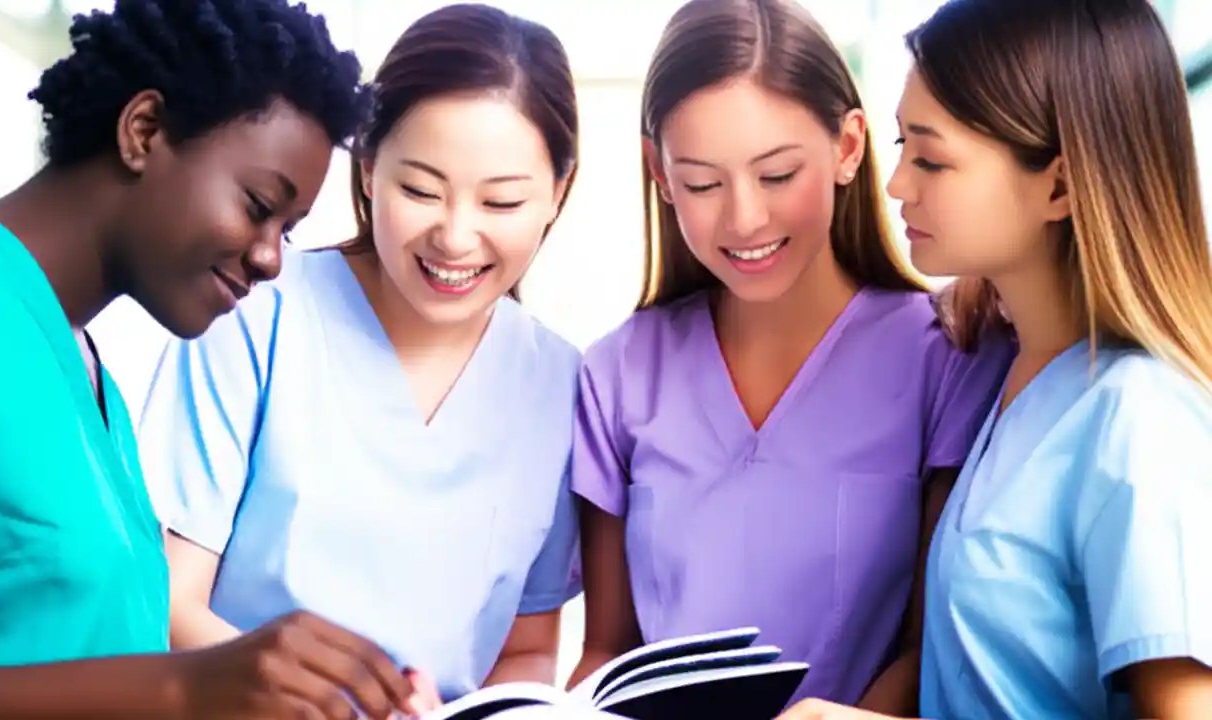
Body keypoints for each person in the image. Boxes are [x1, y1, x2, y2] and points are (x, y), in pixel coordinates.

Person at [0, 0, 437, 718]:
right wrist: (182, 688)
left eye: (288, 232)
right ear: (144, 131)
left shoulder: (93, 388)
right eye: (260, 205)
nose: (270, 259)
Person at [567, 0, 1011, 713]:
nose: (744, 219)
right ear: (659, 172)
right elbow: (606, 653)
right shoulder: (617, 374)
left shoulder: (948, 356)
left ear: (848, 147)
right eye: (704, 183)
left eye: (776, 175)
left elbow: (932, 647)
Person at [136, 2, 583, 707]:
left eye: (501, 204)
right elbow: (164, 602)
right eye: (421, 190)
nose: (456, 238)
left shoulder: (563, 385)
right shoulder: (253, 316)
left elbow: (526, 649)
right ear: (369, 168)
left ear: (557, 194)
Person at [777, 0, 1212, 718]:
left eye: (932, 158)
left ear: (1061, 186)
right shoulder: (1009, 374)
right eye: (900, 147)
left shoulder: (1142, 422)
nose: (896, 185)